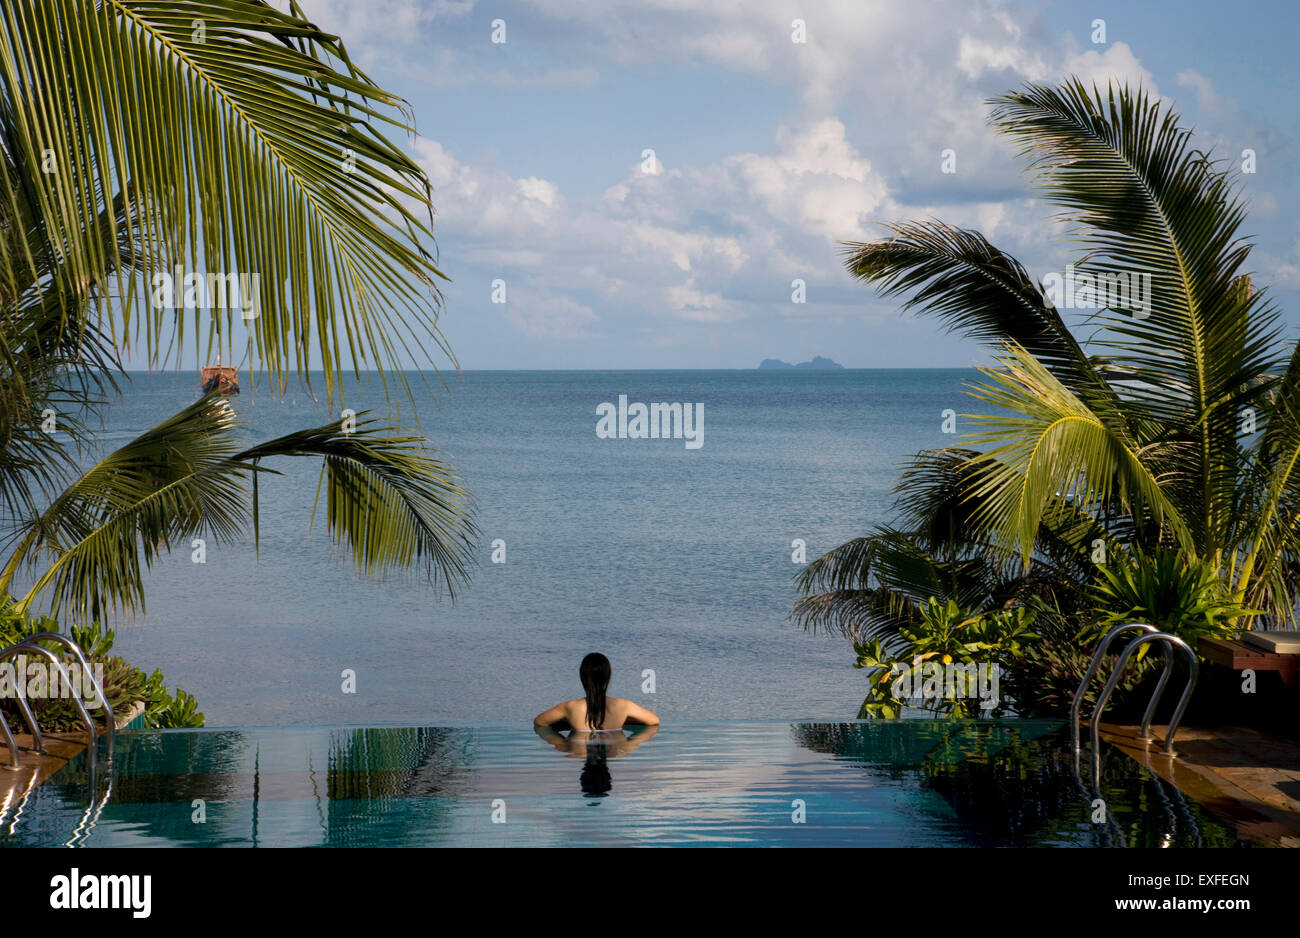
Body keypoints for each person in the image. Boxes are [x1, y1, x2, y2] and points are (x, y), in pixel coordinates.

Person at [532, 652, 660, 733]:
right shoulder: (623, 706)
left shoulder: (569, 707)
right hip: (615, 747)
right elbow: (654, 721)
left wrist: (562, 744)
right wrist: (630, 743)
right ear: (607, 677)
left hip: (579, 750)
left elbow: (539, 722)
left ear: (582, 678)